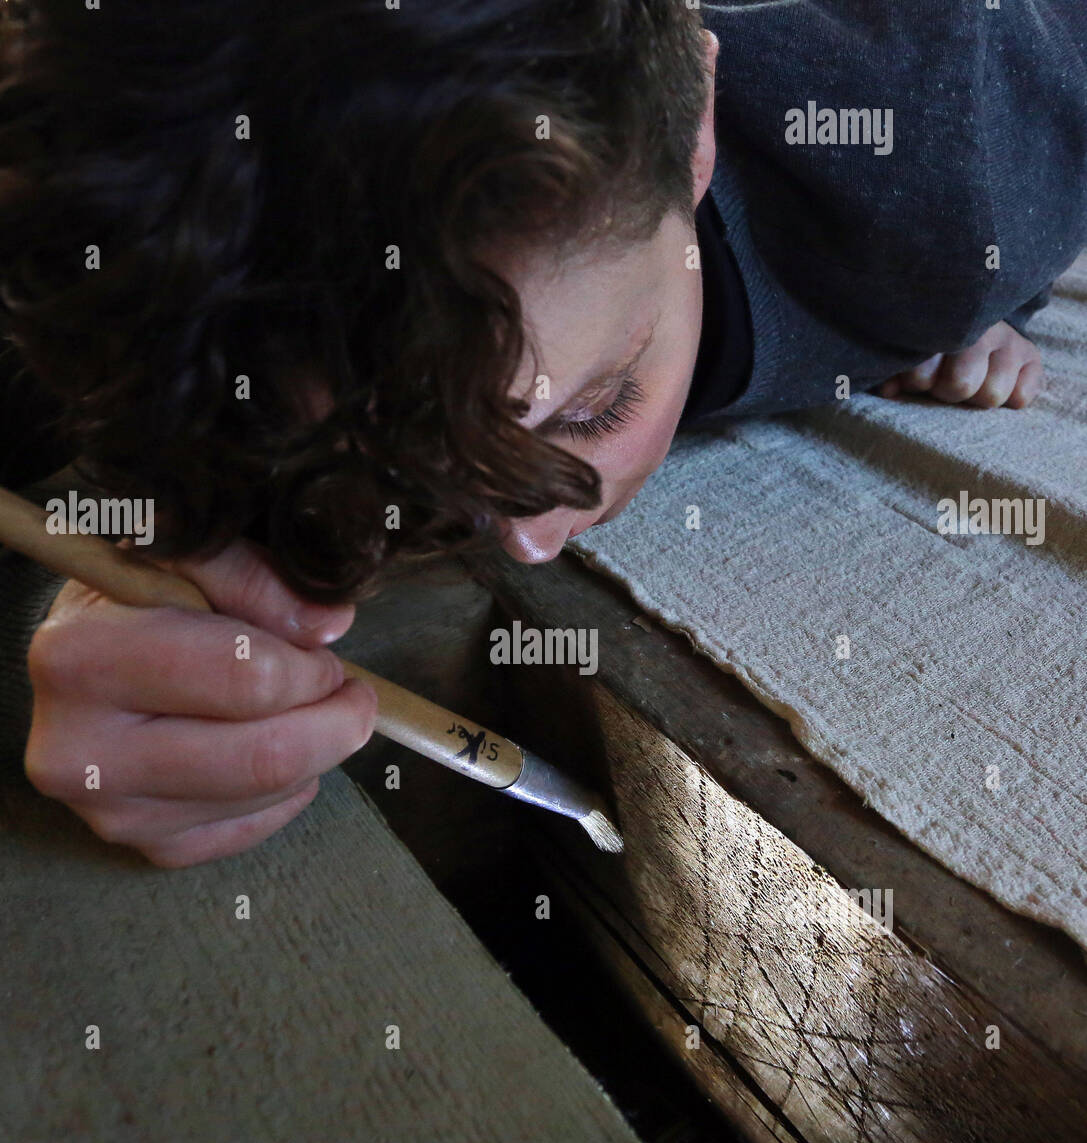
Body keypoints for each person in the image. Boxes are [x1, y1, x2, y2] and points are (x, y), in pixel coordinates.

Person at [1, 0, 1084, 865]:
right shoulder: (133, 228)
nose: (523, 536)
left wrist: (1000, 290)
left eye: (592, 407)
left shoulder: (943, 147)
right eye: (394, 462)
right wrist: (112, 593)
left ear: (696, 128)